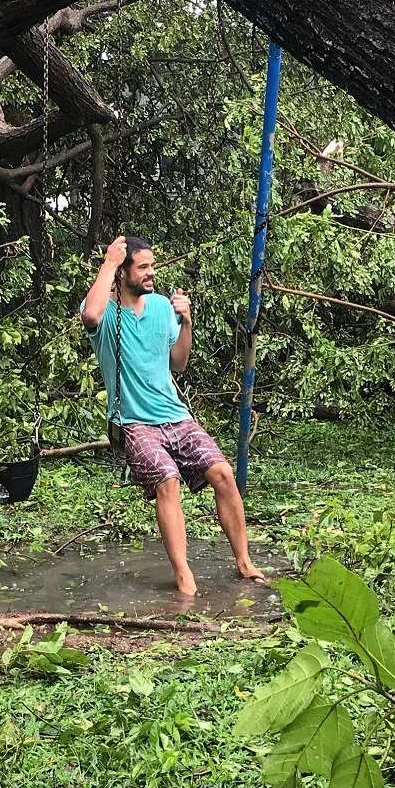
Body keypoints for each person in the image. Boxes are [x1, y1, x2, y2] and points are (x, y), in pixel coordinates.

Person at [81, 234, 265, 598]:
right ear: (123, 271)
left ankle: (244, 562)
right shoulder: (104, 311)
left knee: (223, 473)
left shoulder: (163, 308)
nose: (151, 273)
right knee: (168, 479)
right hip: (134, 421)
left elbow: (177, 363)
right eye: (143, 267)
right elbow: (90, 313)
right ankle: (184, 575)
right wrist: (109, 262)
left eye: (153, 265)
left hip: (175, 416)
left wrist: (186, 322)